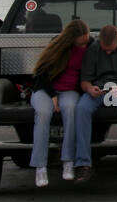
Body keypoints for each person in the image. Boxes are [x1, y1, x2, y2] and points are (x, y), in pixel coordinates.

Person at [73, 24, 117, 183]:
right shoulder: (93, 49)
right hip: (99, 90)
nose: (107, 52)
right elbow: (84, 81)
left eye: (110, 49)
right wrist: (90, 89)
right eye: (104, 49)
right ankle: (83, 164)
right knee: (81, 109)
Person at [29, 18, 91, 187]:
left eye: (85, 41)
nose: (82, 46)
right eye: (79, 44)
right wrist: (52, 95)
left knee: (70, 110)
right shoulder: (58, 45)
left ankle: (68, 161)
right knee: (43, 113)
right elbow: (41, 72)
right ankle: (40, 166)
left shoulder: (91, 46)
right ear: (70, 39)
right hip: (46, 90)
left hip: (70, 91)